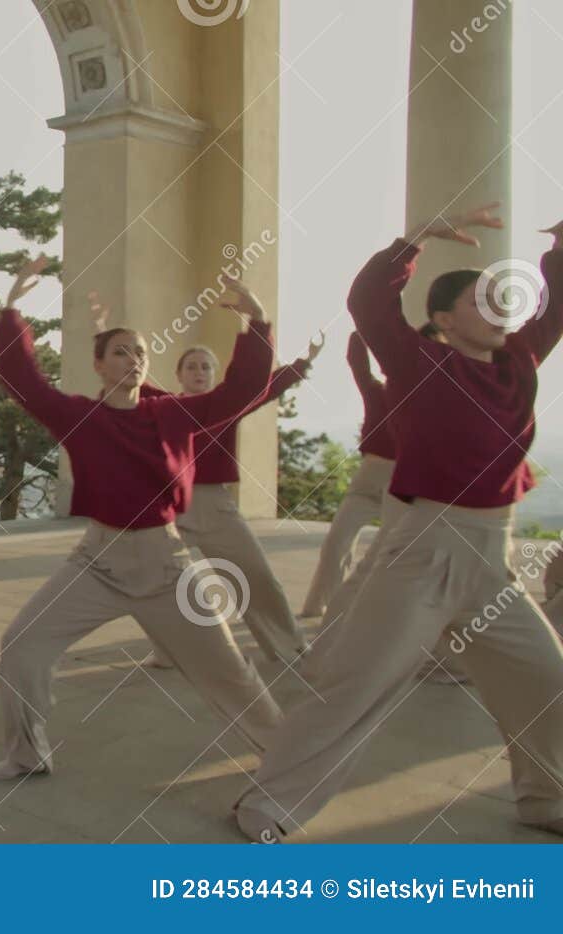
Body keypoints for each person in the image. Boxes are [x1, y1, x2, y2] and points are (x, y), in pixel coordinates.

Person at [235, 204, 563, 841]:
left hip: (492, 558)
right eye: (480, 298)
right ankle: (269, 805)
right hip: (424, 551)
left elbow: (558, 304)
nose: (498, 306)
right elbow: (367, 301)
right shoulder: (419, 364)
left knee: (546, 679)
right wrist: (414, 239)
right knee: (359, 686)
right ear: (444, 318)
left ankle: (545, 798)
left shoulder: (520, 362)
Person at [0, 258, 282, 781]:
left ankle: (288, 757)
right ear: (98, 364)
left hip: (167, 564)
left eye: (141, 351)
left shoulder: (173, 414)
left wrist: (256, 320)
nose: (134, 359)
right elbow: (25, 382)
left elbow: (242, 389)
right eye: (121, 351)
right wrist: (11, 311)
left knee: (230, 672)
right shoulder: (79, 415)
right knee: (21, 647)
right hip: (96, 561)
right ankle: (27, 754)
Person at [132, 334, 324, 670]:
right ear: (179, 375)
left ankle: (289, 646)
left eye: (206, 366)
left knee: (256, 576)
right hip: (173, 506)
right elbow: (133, 380)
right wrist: (103, 331)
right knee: (157, 580)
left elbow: (268, 387)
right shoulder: (165, 406)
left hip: (216, 506)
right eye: (191, 366)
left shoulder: (228, 404)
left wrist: (303, 362)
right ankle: (169, 652)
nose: (199, 371)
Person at [300, 332, 401, 618]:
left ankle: (362, 615)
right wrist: (365, 327)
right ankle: (325, 608)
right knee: (336, 543)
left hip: (402, 482)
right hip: (367, 476)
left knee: (391, 554)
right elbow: (356, 360)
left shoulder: (426, 400)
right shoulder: (375, 391)